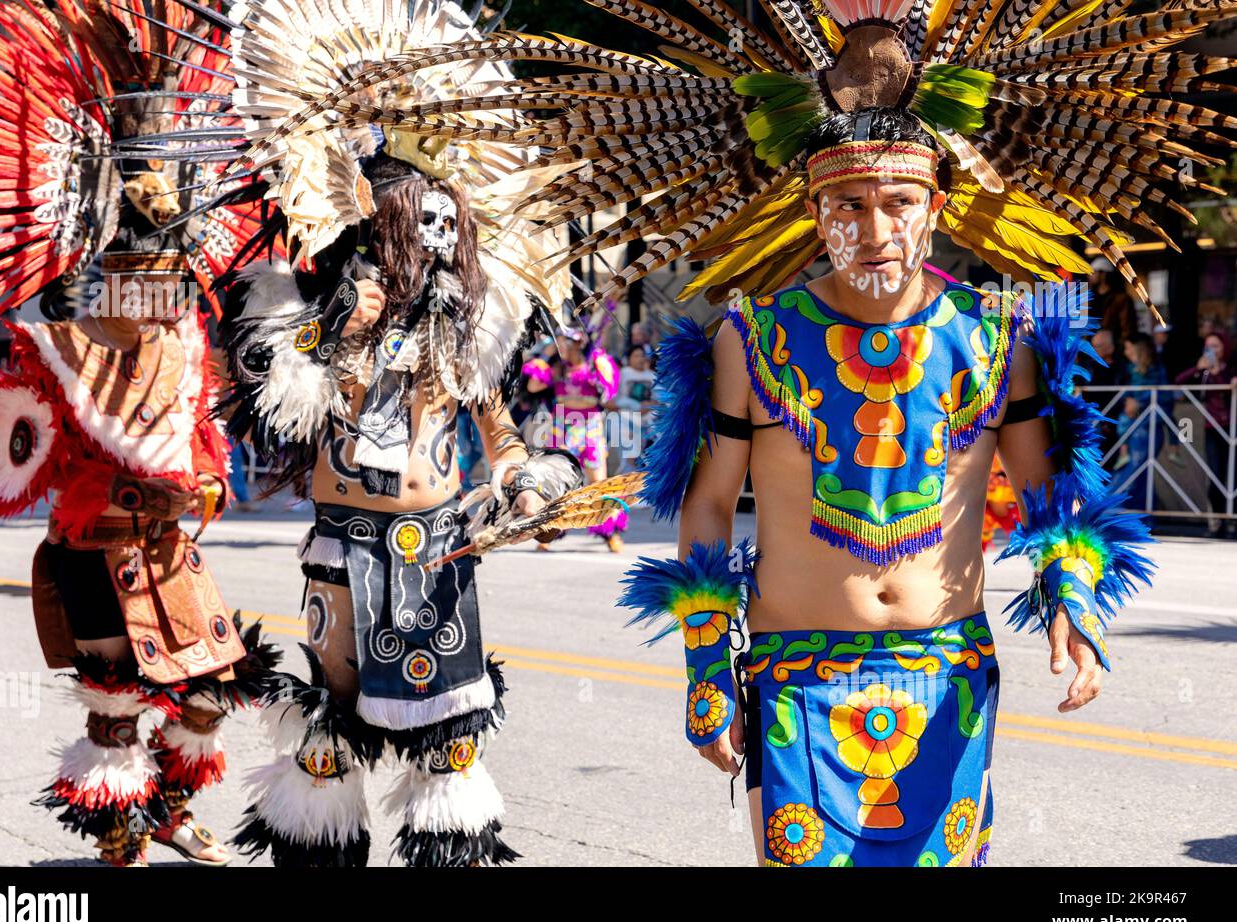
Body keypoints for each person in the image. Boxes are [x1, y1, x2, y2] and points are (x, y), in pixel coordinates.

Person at [379, 0, 1200, 866]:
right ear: (813, 211)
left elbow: (1052, 502)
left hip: (948, 672)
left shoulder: (1000, 340)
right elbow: (703, 511)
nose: (876, 230)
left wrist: (1073, 601)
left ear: (940, 206)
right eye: (848, 202)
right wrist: (705, 667)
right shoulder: (752, 338)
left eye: (899, 200)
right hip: (794, 677)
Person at [201, 0, 579, 866]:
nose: (444, 244)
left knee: (450, 746)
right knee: (331, 737)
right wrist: (338, 332)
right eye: (427, 227)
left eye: (455, 228)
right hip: (346, 551)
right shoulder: (325, 323)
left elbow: (501, 434)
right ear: (388, 228)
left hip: (440, 550)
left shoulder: (463, 343)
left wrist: (523, 482)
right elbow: (275, 402)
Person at [0, 0, 274, 866]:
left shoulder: (186, 333)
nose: (153, 266)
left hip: (166, 546)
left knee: (212, 690)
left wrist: (205, 475)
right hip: (98, 548)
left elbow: (203, 431)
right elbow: (22, 452)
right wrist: (53, 399)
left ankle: (165, 808)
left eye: (165, 252)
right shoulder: (62, 338)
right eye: (137, 242)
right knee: (117, 701)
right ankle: (117, 841)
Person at [523, 330, 626, 551]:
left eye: (571, 343)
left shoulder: (594, 367)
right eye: (564, 343)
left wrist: (596, 352)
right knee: (560, 485)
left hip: (589, 429)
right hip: (561, 429)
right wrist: (548, 351)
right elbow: (533, 385)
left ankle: (611, 533)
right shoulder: (558, 370)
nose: (567, 347)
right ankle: (551, 531)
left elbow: (610, 388)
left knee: (599, 484)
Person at [1175, 330, 1237, 536]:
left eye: (1216, 346)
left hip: (1233, 427)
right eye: (1208, 347)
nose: (1212, 351)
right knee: (1216, 474)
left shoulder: (1231, 369)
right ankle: (1218, 521)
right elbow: (1179, 381)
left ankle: (1233, 520)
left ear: (1224, 348)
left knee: (1233, 475)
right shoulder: (1203, 372)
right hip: (1212, 428)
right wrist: (1198, 368)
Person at [1114, 333, 1170, 509]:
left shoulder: (1156, 369)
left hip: (1148, 425)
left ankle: (1111, 510)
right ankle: (1143, 517)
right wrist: (1128, 400)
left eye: (1129, 347)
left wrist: (1139, 401)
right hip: (1134, 424)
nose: (1126, 352)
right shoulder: (1131, 369)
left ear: (1139, 349)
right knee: (1140, 473)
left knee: (1134, 471)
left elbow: (1165, 395)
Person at [611, 344, 658, 470]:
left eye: (642, 355)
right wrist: (635, 407)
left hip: (648, 423)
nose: (640, 359)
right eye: (636, 356)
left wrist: (649, 406)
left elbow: (658, 398)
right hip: (627, 422)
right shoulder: (622, 374)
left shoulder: (652, 376)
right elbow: (615, 399)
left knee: (646, 460)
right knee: (628, 461)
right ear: (629, 358)